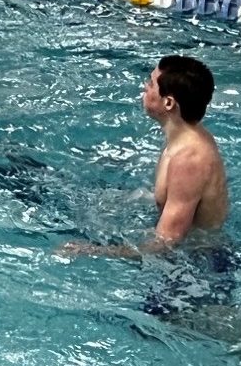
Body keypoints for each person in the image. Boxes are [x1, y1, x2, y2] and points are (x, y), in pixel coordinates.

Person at [61, 56, 230, 260]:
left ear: (168, 103)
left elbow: (166, 244)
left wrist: (93, 251)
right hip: (190, 252)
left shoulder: (189, 159)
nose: (145, 87)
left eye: (151, 83)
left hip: (198, 266)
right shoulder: (184, 137)